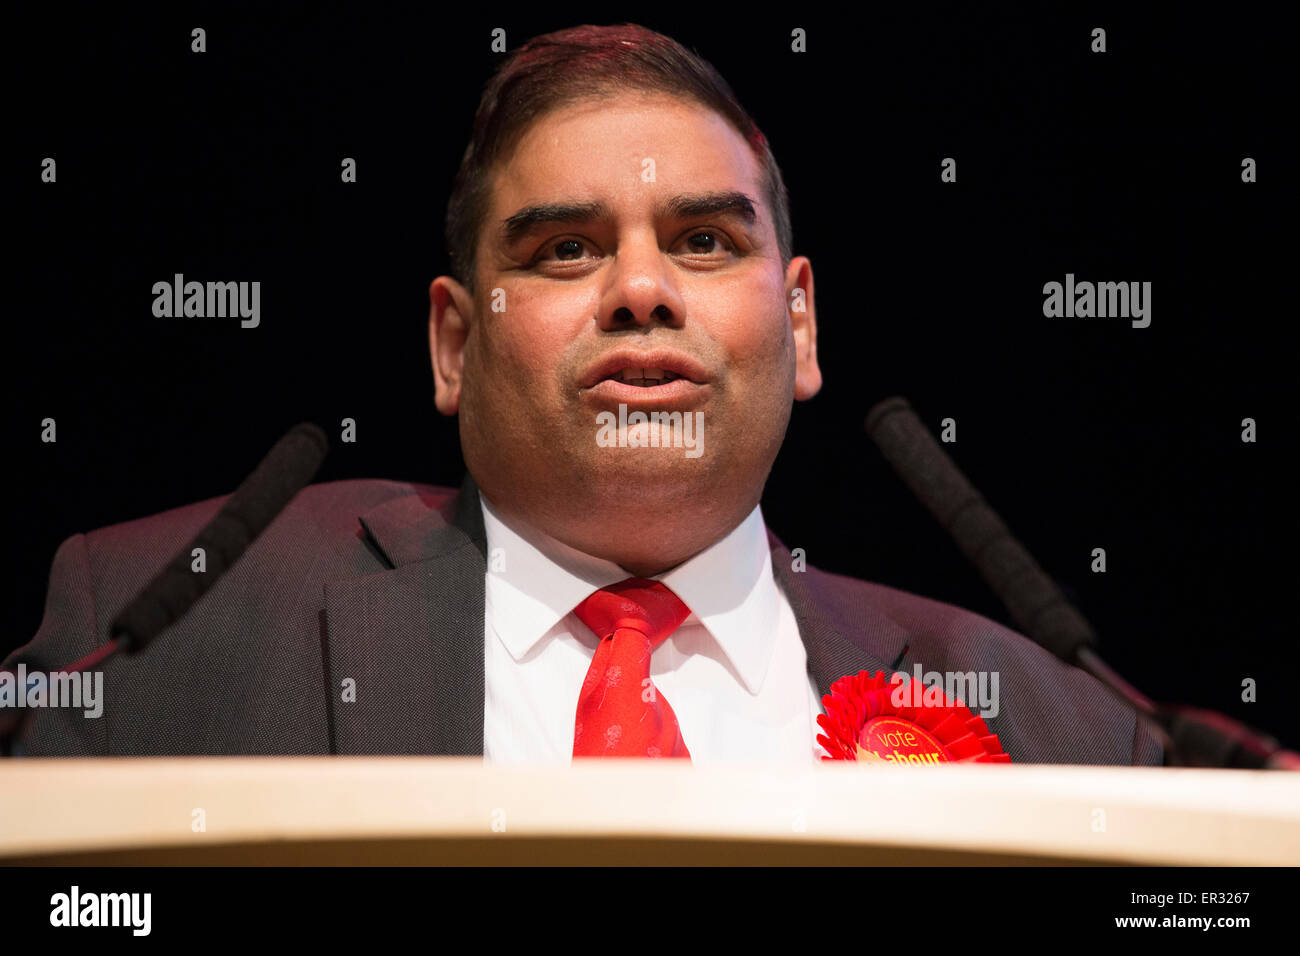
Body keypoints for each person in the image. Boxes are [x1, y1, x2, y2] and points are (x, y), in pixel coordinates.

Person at [2, 23, 1162, 765]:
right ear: (453, 344)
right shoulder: (158, 629)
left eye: (704, 239)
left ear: (800, 323)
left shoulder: (1068, 725)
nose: (642, 290)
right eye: (564, 251)